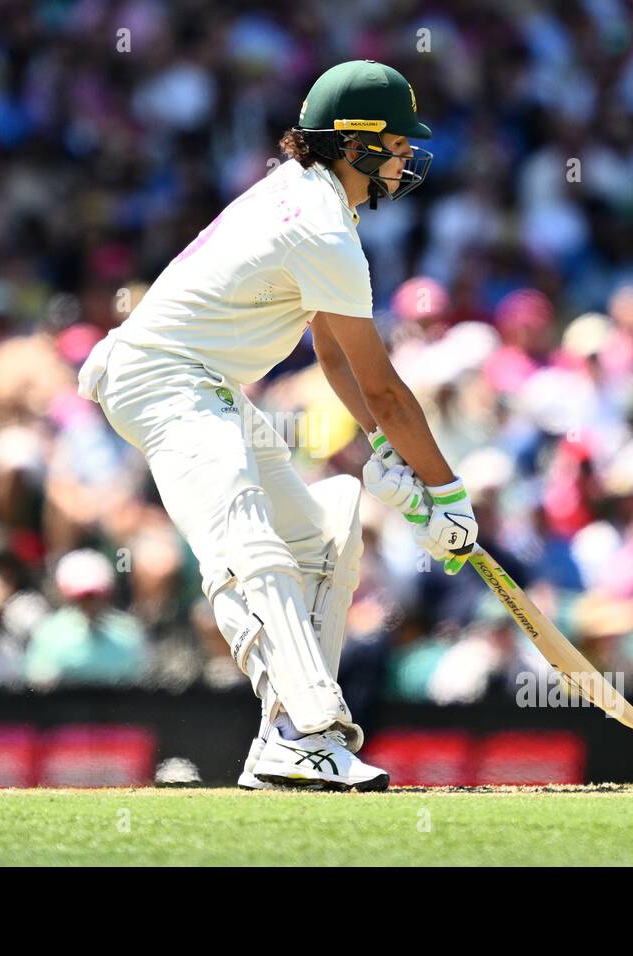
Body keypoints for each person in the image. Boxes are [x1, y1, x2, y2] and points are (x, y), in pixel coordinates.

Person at [78, 61, 478, 791]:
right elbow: (383, 386)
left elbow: (334, 355)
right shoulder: (322, 228)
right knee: (246, 535)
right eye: (395, 143)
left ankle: (285, 742)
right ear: (354, 144)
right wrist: (444, 491)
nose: (406, 158)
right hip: (162, 377)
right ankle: (314, 729)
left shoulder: (313, 204)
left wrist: (390, 457)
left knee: (325, 531)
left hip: (208, 386)